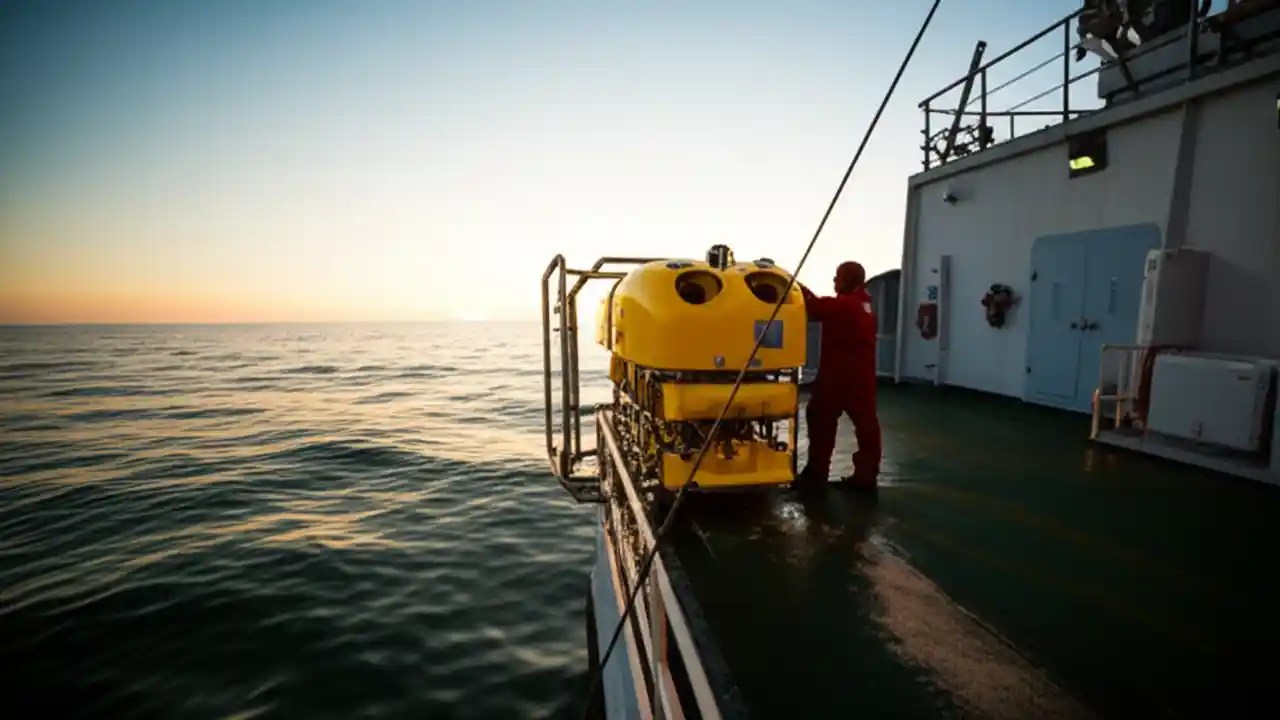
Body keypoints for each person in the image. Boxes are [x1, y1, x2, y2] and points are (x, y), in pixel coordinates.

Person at [795, 261, 881, 491]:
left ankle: (816, 475)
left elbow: (813, 306)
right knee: (867, 427)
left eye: (838, 277)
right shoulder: (865, 305)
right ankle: (866, 476)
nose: (834, 281)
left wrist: (793, 284)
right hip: (862, 378)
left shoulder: (846, 306)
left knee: (820, 419)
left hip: (838, 378)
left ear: (849, 280)